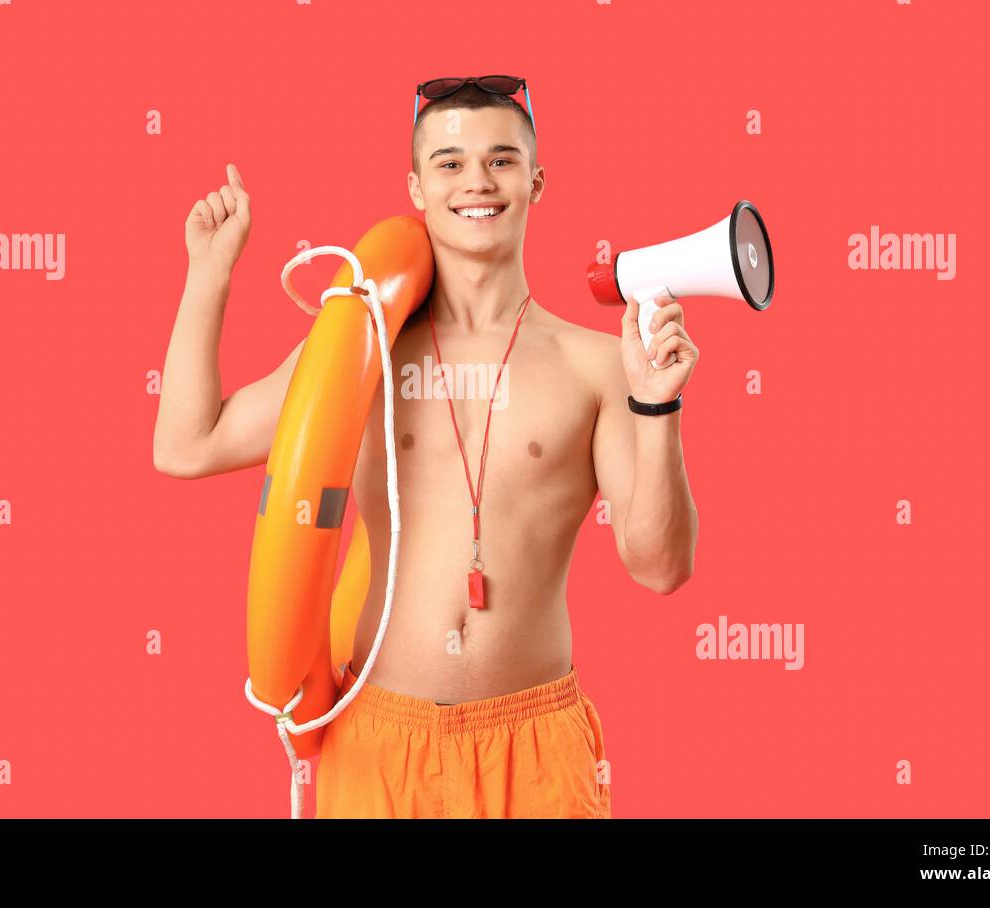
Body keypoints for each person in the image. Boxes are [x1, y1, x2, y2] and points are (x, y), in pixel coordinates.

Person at [153, 78, 699, 818]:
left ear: (536, 180)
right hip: (379, 739)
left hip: (534, 750)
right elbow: (188, 444)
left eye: (502, 160)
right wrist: (209, 271)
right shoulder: (359, 348)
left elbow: (659, 566)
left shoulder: (598, 366)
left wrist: (657, 405)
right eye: (448, 163)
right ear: (415, 186)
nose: (477, 180)